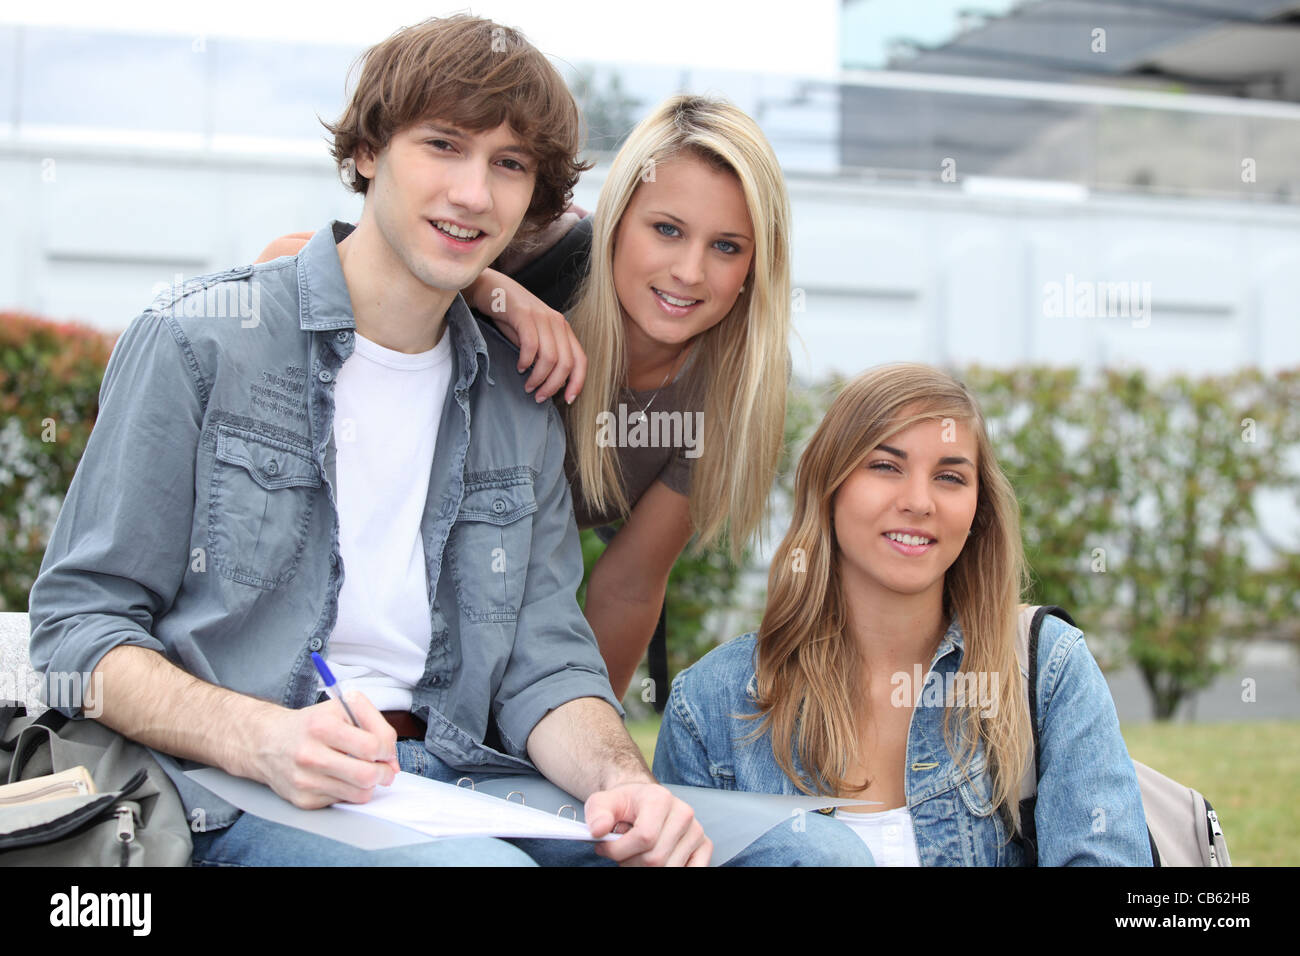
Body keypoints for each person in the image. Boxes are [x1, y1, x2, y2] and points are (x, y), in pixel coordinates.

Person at [28, 14, 770, 867]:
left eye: (510, 166)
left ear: (536, 198)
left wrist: (622, 782)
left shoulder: (521, 393)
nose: (472, 193)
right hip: (235, 787)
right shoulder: (197, 341)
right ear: (371, 149)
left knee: (798, 854)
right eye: (443, 146)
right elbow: (78, 631)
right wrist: (260, 737)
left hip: (460, 776)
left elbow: (549, 664)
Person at [260, 95, 793, 699]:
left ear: (756, 262)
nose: (690, 271)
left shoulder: (730, 388)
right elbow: (283, 259)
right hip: (354, 569)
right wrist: (491, 288)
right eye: (666, 230)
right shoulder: (543, 249)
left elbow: (629, 586)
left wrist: (591, 747)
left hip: (491, 611)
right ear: (617, 220)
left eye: (727, 246)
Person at [652, 363, 1153, 866]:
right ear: (831, 485)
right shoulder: (708, 707)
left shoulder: (1048, 671)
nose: (918, 502)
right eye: (886, 466)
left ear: (978, 509)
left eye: (950, 477)